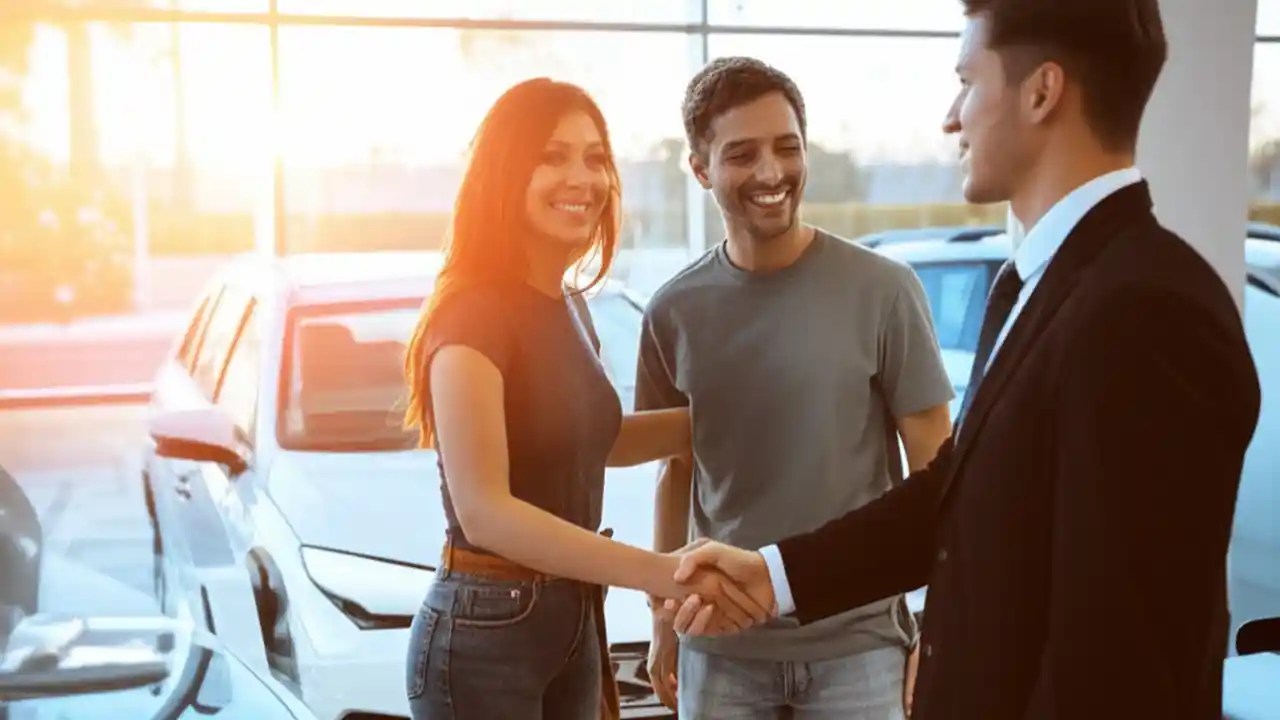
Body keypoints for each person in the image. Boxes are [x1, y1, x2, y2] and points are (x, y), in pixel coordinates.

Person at [666, 1, 1264, 719]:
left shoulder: (1146, 311)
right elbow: (957, 492)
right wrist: (773, 575)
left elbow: (1118, 662)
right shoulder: (1042, 283)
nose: (953, 116)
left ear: (1041, 92)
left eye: (967, 81)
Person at [400, 78, 768, 720]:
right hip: (486, 633)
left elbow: (594, 437)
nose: (582, 177)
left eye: (595, 158)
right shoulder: (469, 316)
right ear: (503, 174)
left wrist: (718, 421)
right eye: (552, 156)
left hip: (570, 615)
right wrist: (659, 570)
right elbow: (487, 513)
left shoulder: (568, 305)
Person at [637, 57, 954, 719]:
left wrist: (946, 625)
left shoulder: (885, 292)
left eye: (787, 148)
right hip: (720, 651)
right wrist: (665, 615)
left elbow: (941, 478)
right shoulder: (673, 311)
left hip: (861, 650)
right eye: (742, 154)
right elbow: (676, 468)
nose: (771, 173)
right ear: (700, 169)